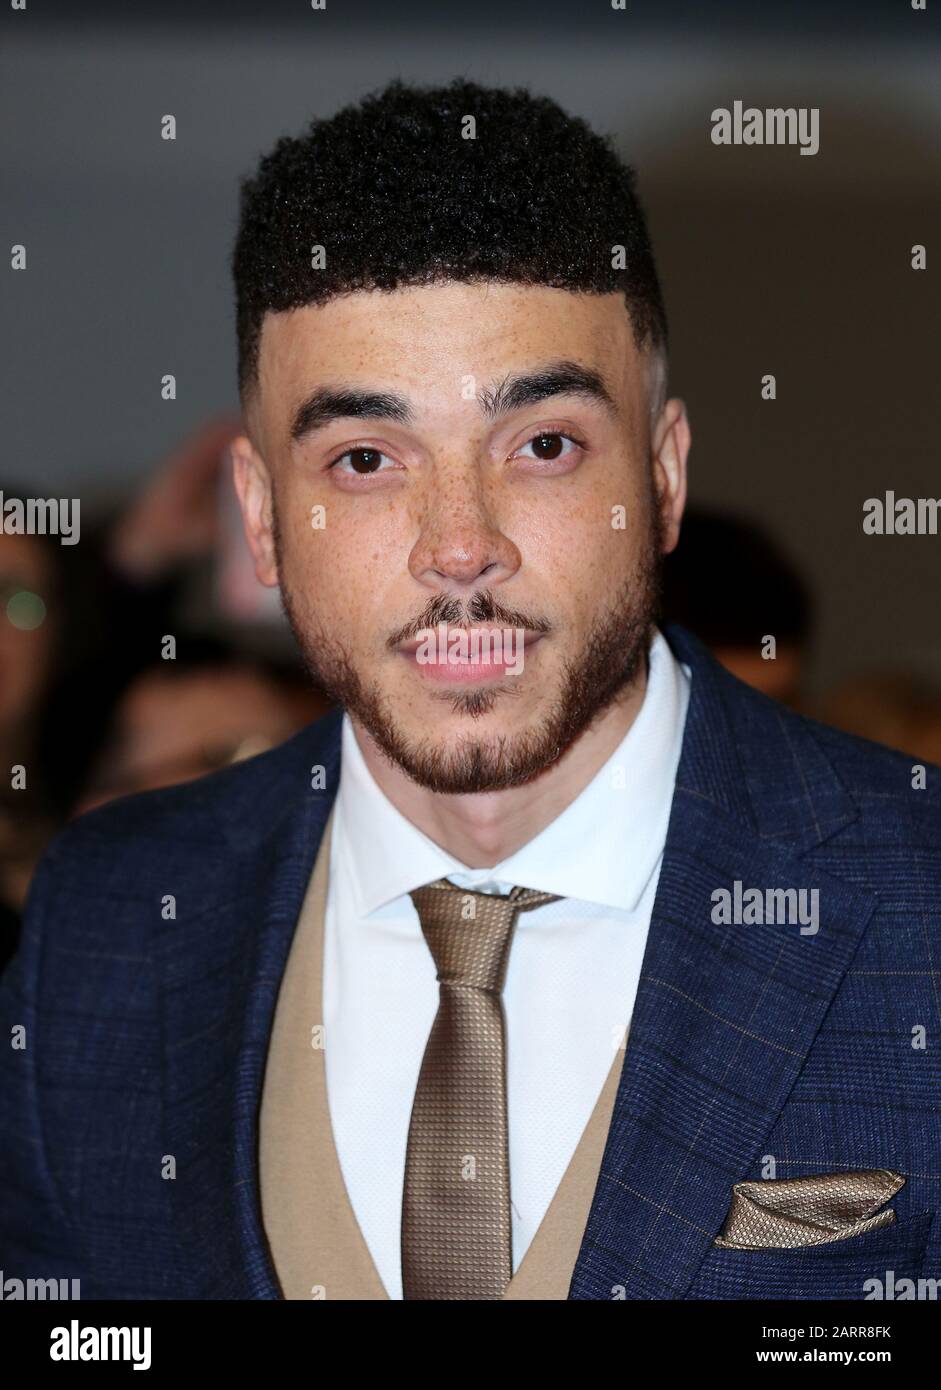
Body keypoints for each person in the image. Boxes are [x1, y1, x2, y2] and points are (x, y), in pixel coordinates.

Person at [1, 78, 938, 1302]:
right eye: (365, 458)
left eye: (540, 444)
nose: (459, 544)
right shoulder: (108, 924)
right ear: (261, 516)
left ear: (660, 478)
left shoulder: (913, 898)